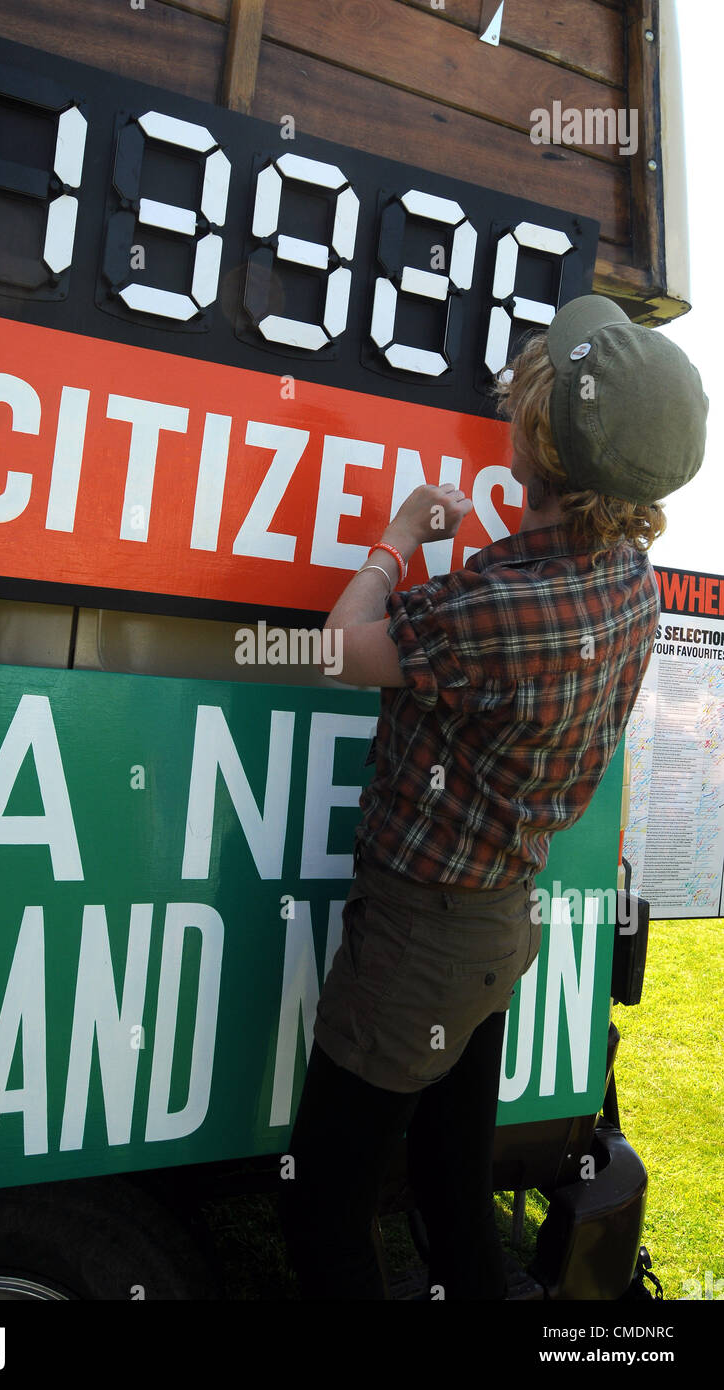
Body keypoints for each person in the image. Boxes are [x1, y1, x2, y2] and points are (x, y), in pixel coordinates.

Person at [277, 294, 708, 1300]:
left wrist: (396, 538)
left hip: (420, 942)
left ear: (539, 441)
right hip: (495, 925)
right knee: (450, 1182)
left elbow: (339, 646)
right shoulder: (630, 582)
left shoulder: (503, 608)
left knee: (323, 1202)